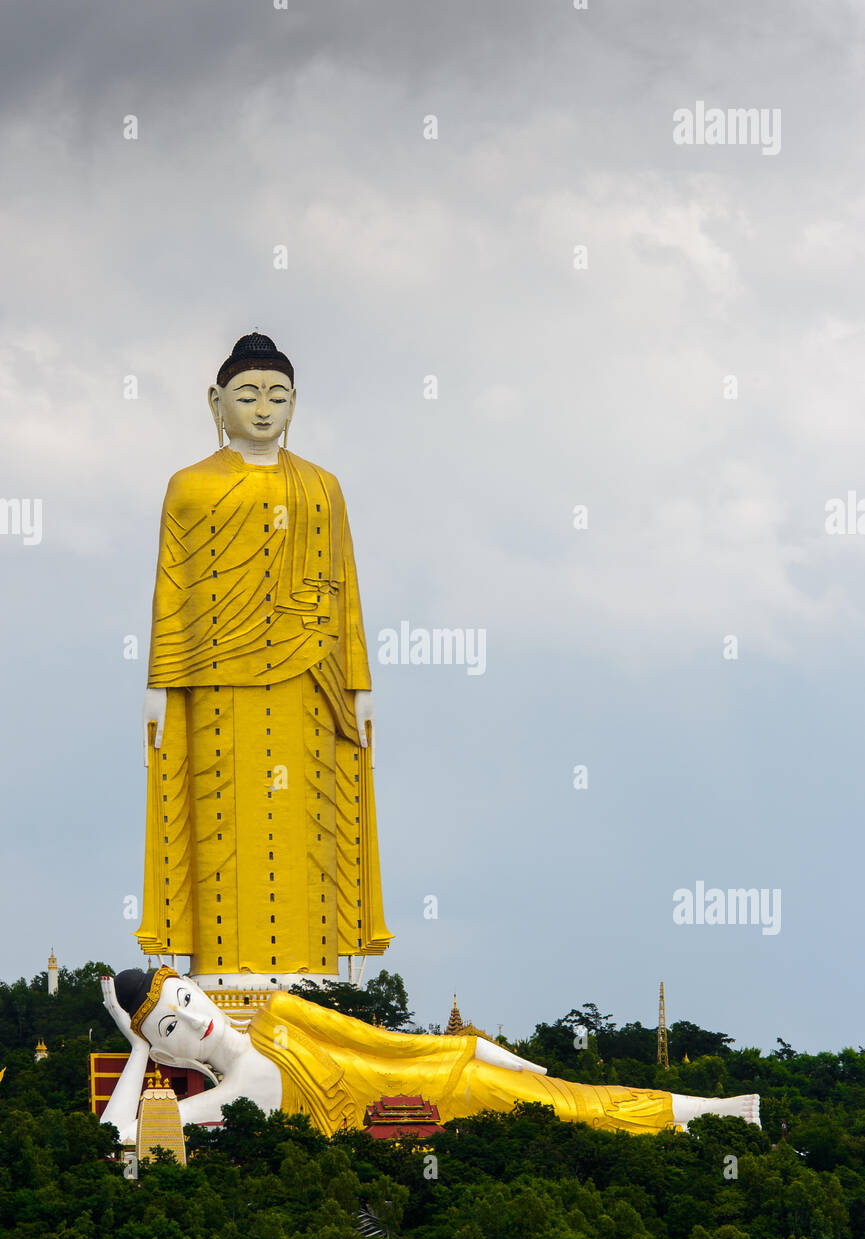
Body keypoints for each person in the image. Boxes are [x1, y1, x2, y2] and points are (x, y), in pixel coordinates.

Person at [134, 333, 391, 988]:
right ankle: (221, 974)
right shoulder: (189, 488)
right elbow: (173, 589)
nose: (262, 408)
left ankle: (314, 978)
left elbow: (347, 590)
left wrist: (359, 683)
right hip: (217, 683)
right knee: (222, 826)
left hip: (309, 681)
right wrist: (160, 686)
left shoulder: (321, 488)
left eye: (277, 395)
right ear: (216, 402)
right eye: (246, 394)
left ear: (295, 403)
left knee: (309, 828)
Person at [100, 968, 761, 1146]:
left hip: (446, 1077)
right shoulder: (225, 1098)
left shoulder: (280, 1012)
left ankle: (719, 1112)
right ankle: (716, 1117)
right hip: (420, 1126)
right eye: (170, 1028)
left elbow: (383, 1042)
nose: (194, 1019)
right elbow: (118, 1134)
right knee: (573, 1118)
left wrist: (473, 1046)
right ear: (165, 1048)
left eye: (185, 998)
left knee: (573, 1100)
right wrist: (135, 1053)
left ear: (200, 990)